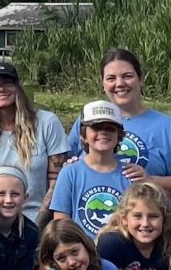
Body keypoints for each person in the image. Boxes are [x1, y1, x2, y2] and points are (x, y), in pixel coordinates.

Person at [96, 47, 171, 212]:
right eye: (111, 78)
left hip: (148, 226)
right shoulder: (90, 121)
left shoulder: (166, 126)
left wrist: (149, 179)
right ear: (102, 83)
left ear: (140, 79)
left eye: (127, 76)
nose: (120, 83)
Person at [0, 63, 68, 194]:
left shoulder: (48, 122)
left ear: (18, 88)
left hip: (37, 212)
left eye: (7, 82)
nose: (1, 89)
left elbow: (57, 181)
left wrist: (42, 215)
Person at [47, 102, 132, 240]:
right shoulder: (69, 172)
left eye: (110, 129)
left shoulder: (129, 174)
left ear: (119, 135)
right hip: (79, 252)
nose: (103, 132)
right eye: (96, 128)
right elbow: (61, 224)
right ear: (83, 135)